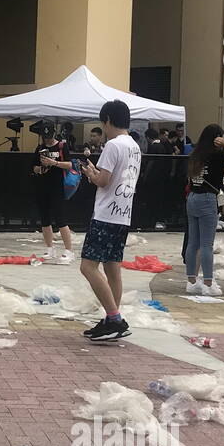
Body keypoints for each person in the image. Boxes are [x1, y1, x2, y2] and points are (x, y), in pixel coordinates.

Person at [78, 100, 141, 341]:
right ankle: (111, 318)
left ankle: (114, 318)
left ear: (107, 121)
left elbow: (103, 181)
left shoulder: (113, 146)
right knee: (113, 268)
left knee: (88, 266)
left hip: (105, 214)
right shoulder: (134, 146)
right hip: (123, 215)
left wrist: (90, 174)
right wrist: (97, 174)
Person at [184, 127, 224, 296]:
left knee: (193, 242)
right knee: (206, 244)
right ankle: (208, 283)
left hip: (192, 198)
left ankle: (191, 281)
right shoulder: (218, 155)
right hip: (207, 199)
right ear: (217, 139)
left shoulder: (195, 154)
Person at [32, 127, 73, 261]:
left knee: (61, 219)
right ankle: (50, 248)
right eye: (45, 137)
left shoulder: (62, 146)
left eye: (49, 136)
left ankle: (69, 250)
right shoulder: (40, 148)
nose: (47, 140)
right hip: (43, 186)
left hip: (58, 187)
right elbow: (34, 166)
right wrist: (40, 168)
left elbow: (69, 164)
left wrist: (54, 163)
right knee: (45, 219)